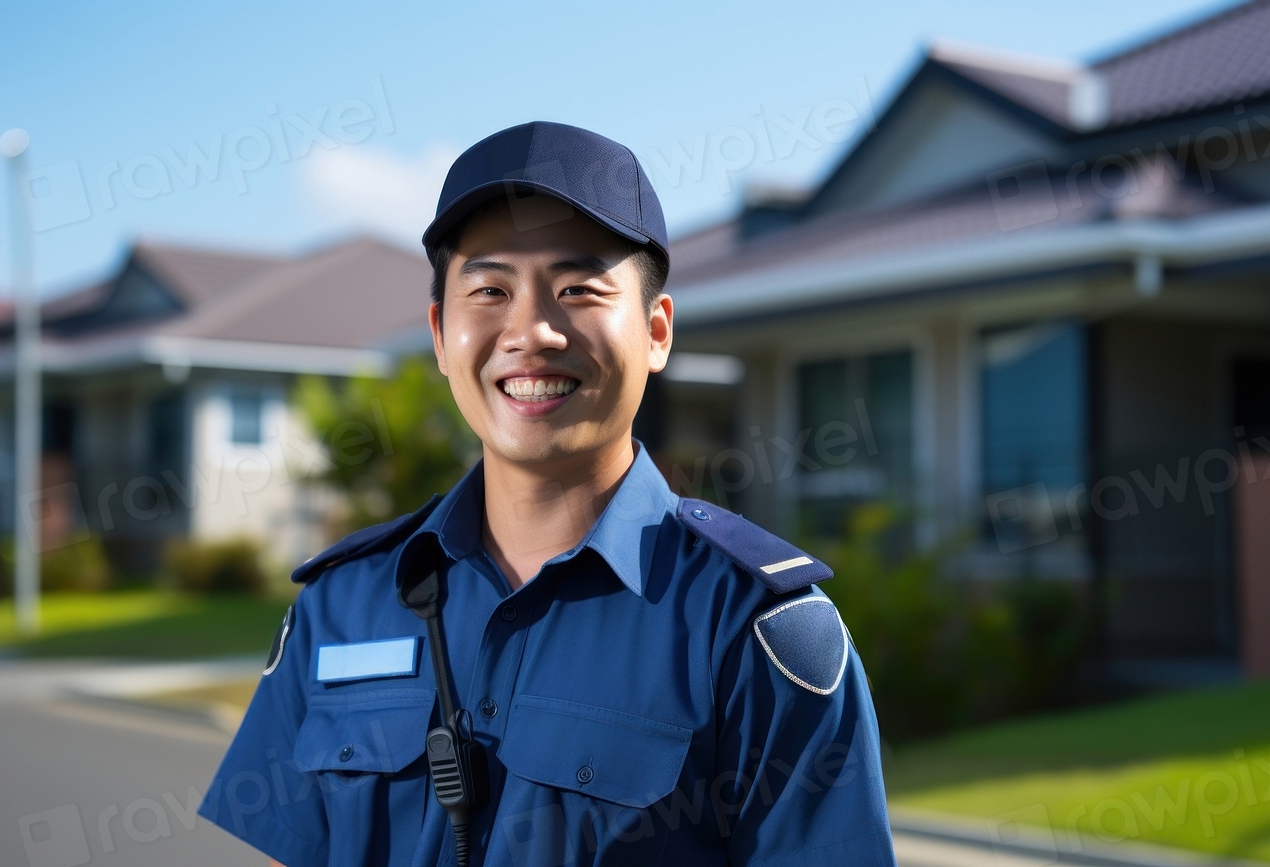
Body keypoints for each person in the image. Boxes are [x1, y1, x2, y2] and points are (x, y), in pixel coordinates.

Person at [199, 121, 895, 866]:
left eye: (577, 289)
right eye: (490, 290)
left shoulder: (757, 632)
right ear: (440, 334)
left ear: (657, 332)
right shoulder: (339, 607)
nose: (531, 330)